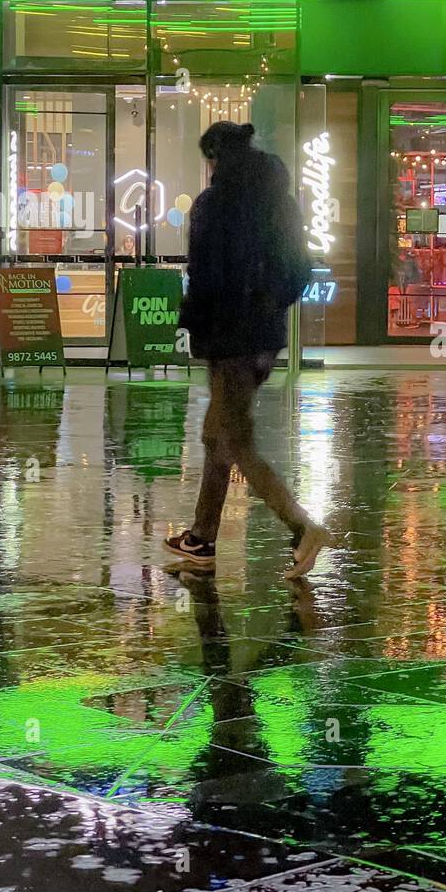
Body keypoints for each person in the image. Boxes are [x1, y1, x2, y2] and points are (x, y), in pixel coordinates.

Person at [164, 121, 332, 578]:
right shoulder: (279, 203)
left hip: (228, 340)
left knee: (234, 441)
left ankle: (303, 527)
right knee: (217, 434)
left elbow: (205, 280)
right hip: (262, 339)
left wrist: (195, 323)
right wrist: (268, 307)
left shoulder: (214, 207)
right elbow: (300, 270)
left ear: (217, 158)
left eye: (209, 159)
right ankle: (201, 537)